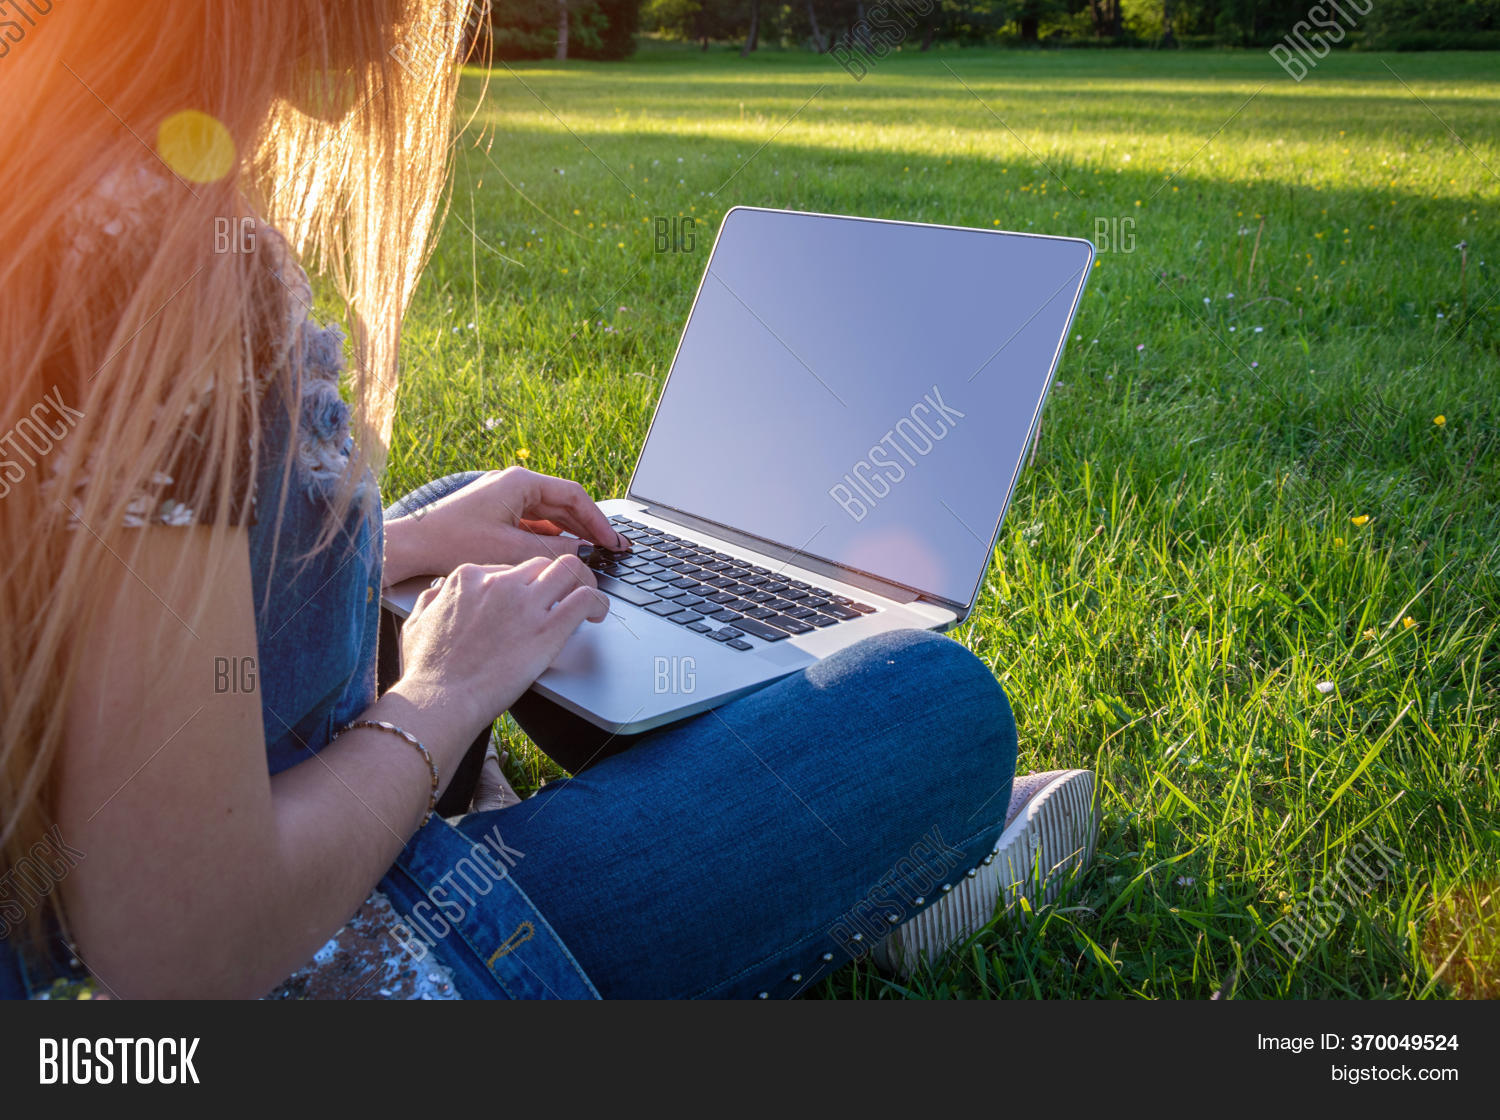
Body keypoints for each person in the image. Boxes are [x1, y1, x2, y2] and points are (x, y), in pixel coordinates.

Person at [0, 0, 1097, 1000]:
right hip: (344, 963)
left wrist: (407, 539)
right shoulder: (152, 264)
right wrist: (437, 699)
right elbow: (188, 948)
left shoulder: (52, 157)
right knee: (929, 703)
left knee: (451, 517)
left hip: (209, 849)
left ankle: (603, 811)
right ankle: (845, 855)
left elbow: (117, 608)